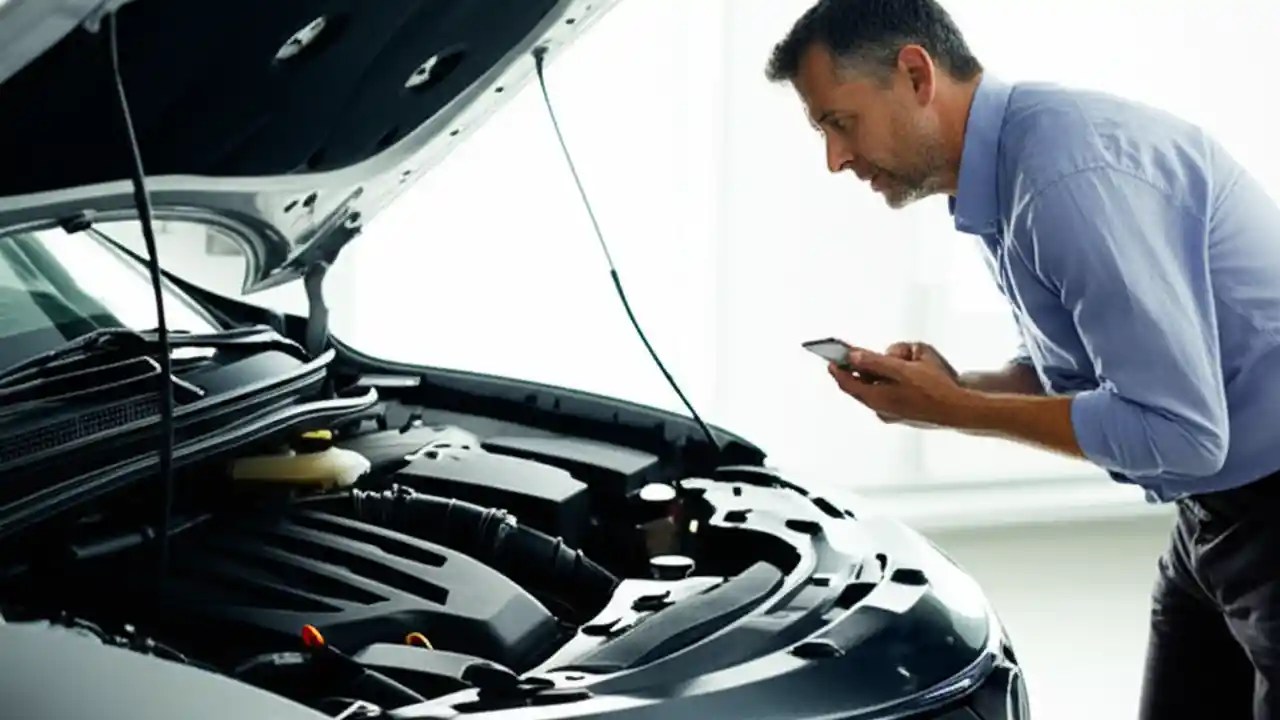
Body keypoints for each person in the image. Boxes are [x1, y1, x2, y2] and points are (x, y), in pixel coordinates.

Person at [765, 1, 1280, 718]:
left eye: (839, 123)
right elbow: (1091, 375)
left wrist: (961, 411)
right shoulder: (1010, 168)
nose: (835, 160)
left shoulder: (1064, 178)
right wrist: (950, 390)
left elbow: (1182, 435)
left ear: (916, 74)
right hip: (1216, 510)